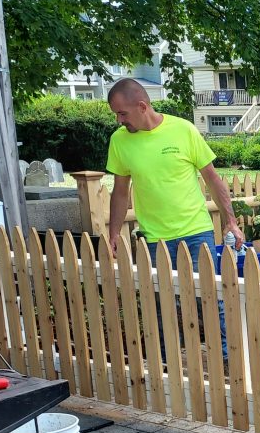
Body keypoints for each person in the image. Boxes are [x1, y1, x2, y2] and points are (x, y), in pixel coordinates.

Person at [105, 78, 244, 361]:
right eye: (116, 114)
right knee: (161, 302)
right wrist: (114, 232)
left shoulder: (183, 130)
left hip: (196, 231)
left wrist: (230, 221)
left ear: (142, 106)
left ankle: (228, 358)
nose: (120, 121)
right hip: (155, 237)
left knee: (209, 297)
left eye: (123, 113)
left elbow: (213, 179)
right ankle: (169, 362)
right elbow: (120, 192)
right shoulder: (119, 141)